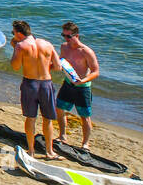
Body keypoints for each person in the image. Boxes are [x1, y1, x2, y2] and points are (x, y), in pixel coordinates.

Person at [10, 19, 63, 159]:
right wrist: (45, 66)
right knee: (48, 119)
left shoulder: (21, 45)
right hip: (46, 83)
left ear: (19, 34)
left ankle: (31, 150)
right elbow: (58, 67)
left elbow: (15, 66)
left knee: (31, 118)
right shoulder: (47, 44)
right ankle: (49, 151)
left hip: (30, 83)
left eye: (13, 33)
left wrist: (14, 48)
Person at [57, 21, 100, 149]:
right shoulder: (64, 47)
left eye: (68, 36)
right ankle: (62, 136)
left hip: (83, 87)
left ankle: (85, 143)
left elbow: (96, 71)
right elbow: (62, 62)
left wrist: (84, 80)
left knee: (85, 116)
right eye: (63, 35)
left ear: (77, 36)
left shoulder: (86, 51)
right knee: (59, 109)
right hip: (68, 83)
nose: (66, 39)